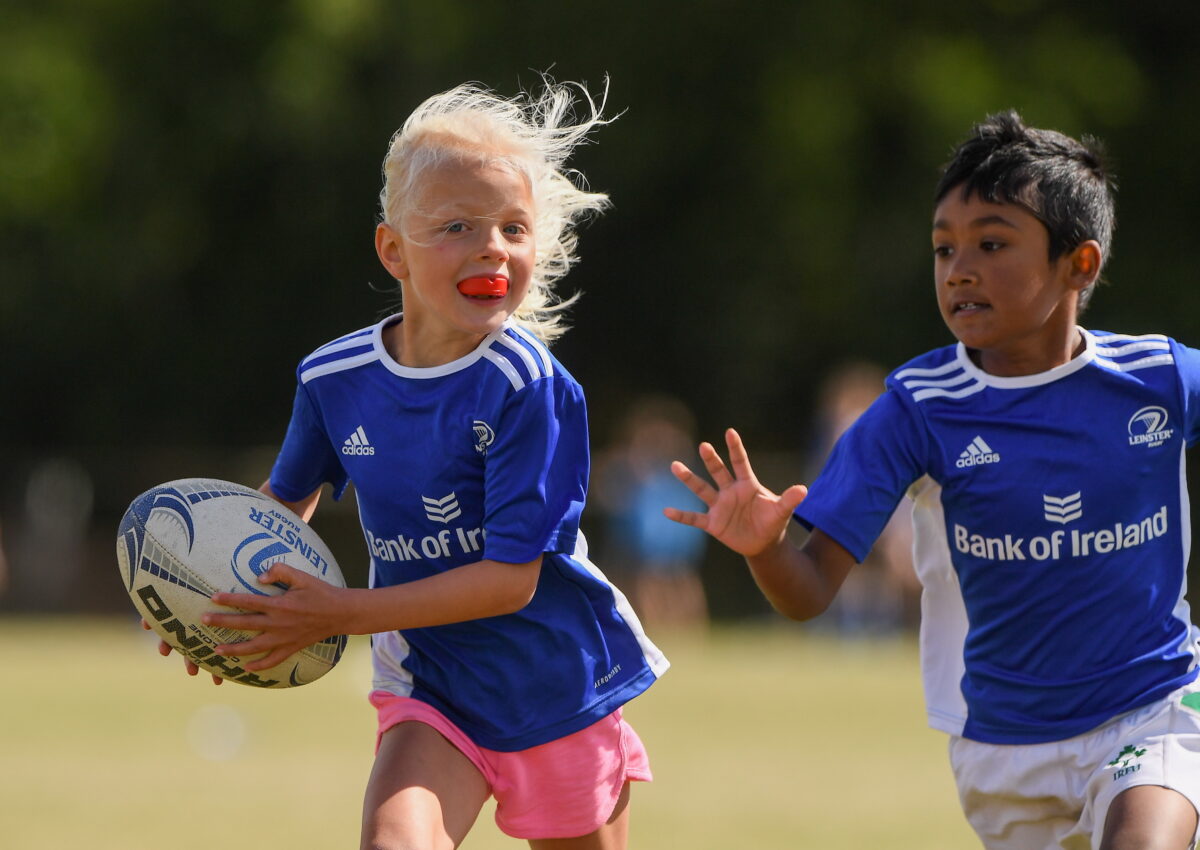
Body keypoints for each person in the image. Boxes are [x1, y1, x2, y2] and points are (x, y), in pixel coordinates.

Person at [152, 79, 669, 850]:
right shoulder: (333, 381)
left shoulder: (534, 390)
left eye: (513, 228)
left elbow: (509, 580)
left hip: (558, 686)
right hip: (430, 687)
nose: (493, 246)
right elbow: (277, 512)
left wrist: (339, 614)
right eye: (458, 225)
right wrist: (218, 604)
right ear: (392, 249)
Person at [665, 111, 1200, 849]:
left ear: (1079, 264)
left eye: (991, 243)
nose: (960, 269)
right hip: (1004, 749)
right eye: (944, 248)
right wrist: (764, 547)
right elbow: (809, 591)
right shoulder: (916, 410)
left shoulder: (1160, 378)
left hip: (1155, 708)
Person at [594, 395, 709, 630]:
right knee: (662, 577)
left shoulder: (655, 465)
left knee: (662, 578)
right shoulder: (658, 464)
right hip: (660, 529)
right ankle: (668, 628)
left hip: (660, 529)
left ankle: (673, 628)